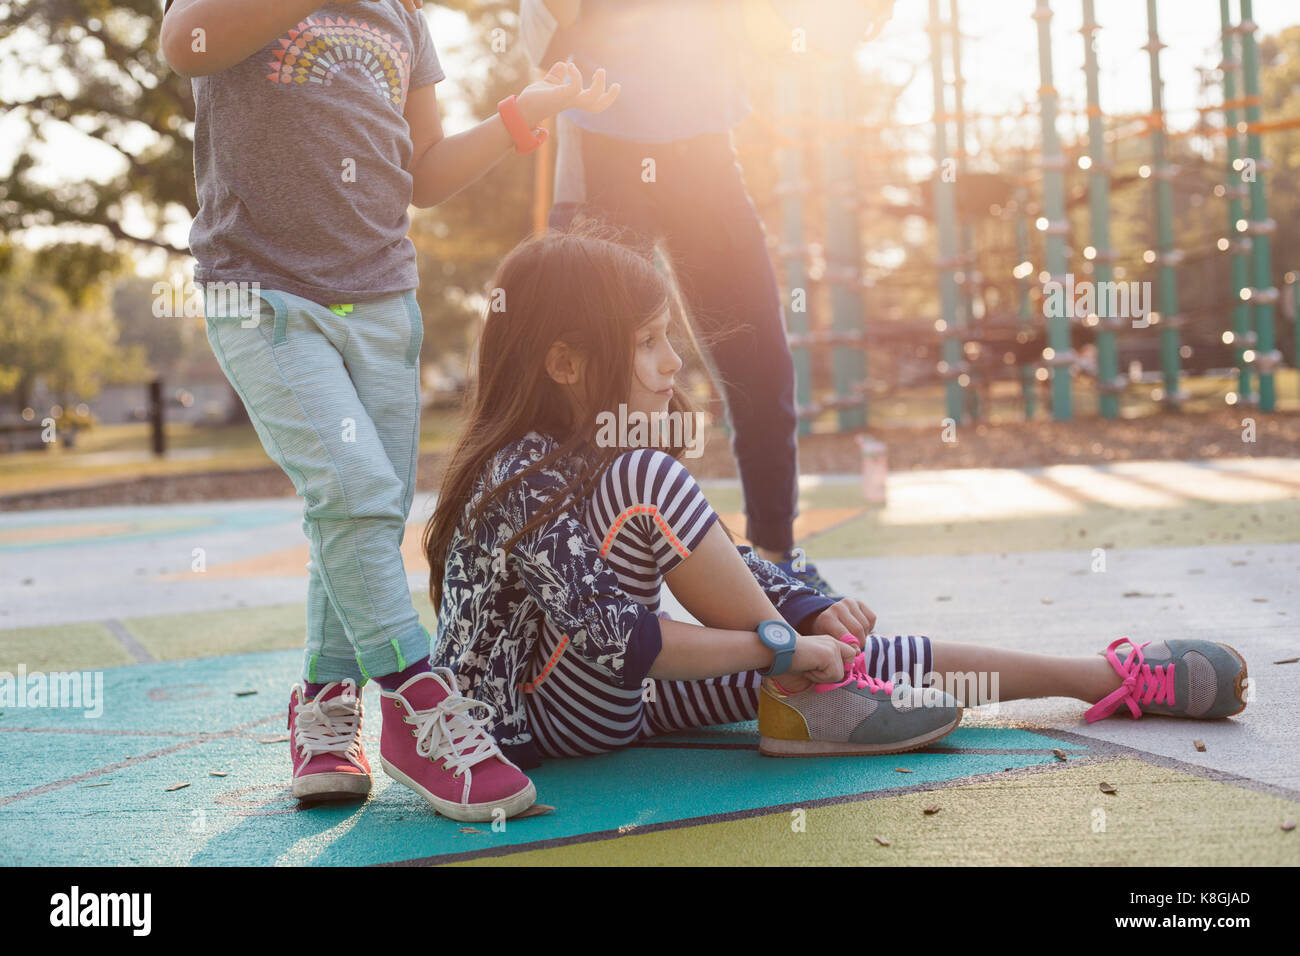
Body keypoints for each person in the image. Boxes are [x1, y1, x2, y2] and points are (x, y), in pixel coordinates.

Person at [423, 228, 1251, 771]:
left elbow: (718, 569)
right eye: (648, 341)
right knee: (654, 485)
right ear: (566, 364)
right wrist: (777, 646)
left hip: (611, 705)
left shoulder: (596, 461)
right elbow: (619, 640)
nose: (673, 361)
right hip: (543, 717)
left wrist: (809, 613)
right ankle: (800, 684)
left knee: (866, 661)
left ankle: (1099, 678)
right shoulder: (518, 475)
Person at [159, 0, 619, 821]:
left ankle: (325, 707)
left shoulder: (402, 13)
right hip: (261, 291)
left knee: (356, 510)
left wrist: (526, 113)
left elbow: (427, 169)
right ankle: (415, 702)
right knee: (357, 488)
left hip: (380, 300)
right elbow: (186, 45)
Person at [519, 0, 859, 597]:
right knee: (585, 366)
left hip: (705, 154)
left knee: (761, 363)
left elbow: (784, 33)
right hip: (605, 151)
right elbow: (546, 50)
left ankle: (777, 559)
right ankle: (580, 563)